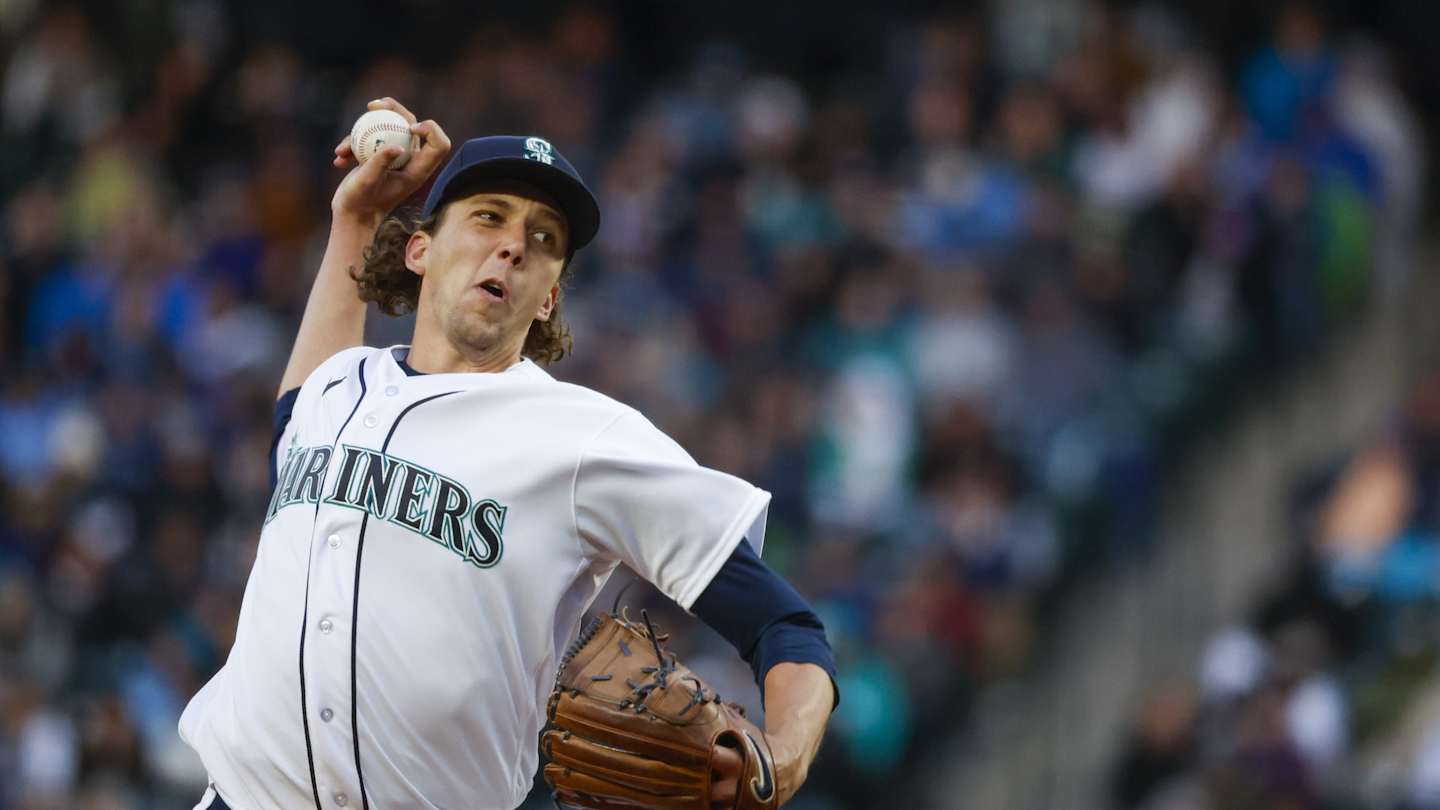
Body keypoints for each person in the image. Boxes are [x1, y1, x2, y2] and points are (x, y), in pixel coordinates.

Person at [177, 98, 837, 810]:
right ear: (420, 248)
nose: (515, 244)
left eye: (544, 237)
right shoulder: (338, 386)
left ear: (549, 297)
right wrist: (354, 220)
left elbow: (786, 627)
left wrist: (786, 753)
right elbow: (291, 431)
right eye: (488, 216)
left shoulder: (584, 438)